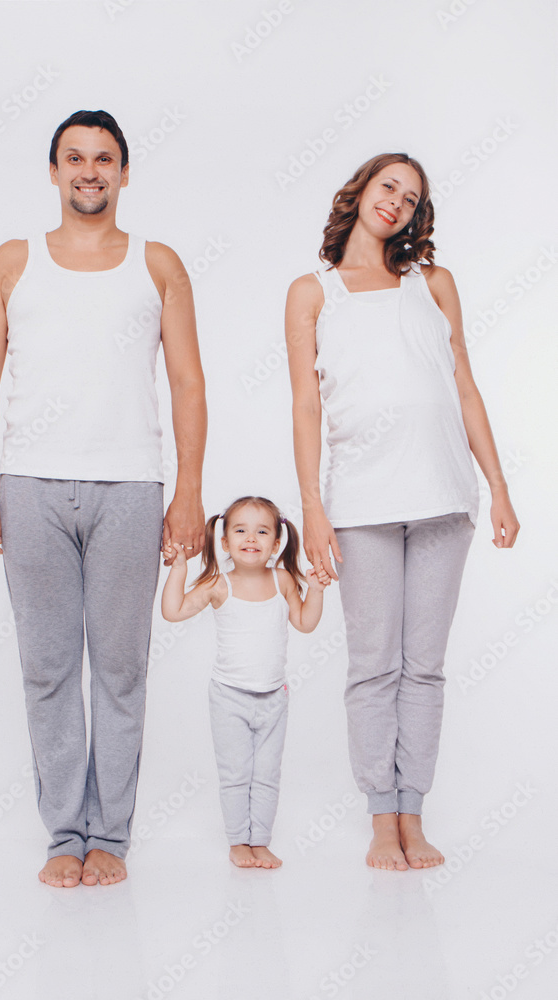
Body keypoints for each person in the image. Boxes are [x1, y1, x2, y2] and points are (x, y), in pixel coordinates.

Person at [0, 109, 207, 888]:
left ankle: (111, 836)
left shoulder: (158, 265)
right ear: (53, 171)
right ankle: (65, 833)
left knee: (120, 670)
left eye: (104, 158)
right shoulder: (13, 262)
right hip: (30, 484)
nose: (89, 171)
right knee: (47, 668)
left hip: (130, 486)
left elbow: (187, 383)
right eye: (75, 158)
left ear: (124, 172)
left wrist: (189, 491)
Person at [285, 152, 520, 872]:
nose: (397, 202)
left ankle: (411, 813)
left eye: (411, 198)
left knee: (423, 667)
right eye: (388, 186)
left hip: (444, 498)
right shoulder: (312, 293)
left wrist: (499, 487)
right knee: (372, 666)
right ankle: (379, 819)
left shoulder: (432, 284)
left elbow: (465, 387)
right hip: (362, 505)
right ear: (360, 191)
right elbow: (305, 405)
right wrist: (312, 507)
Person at [161, 496, 330, 868]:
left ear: (276, 542)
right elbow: (173, 612)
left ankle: (261, 841)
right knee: (236, 774)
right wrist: (178, 569)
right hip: (229, 698)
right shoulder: (218, 584)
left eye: (262, 532)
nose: (251, 538)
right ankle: (239, 841)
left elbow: (305, 623)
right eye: (240, 530)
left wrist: (316, 591)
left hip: (274, 698)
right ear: (224, 542)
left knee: (267, 774)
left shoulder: (283, 580)